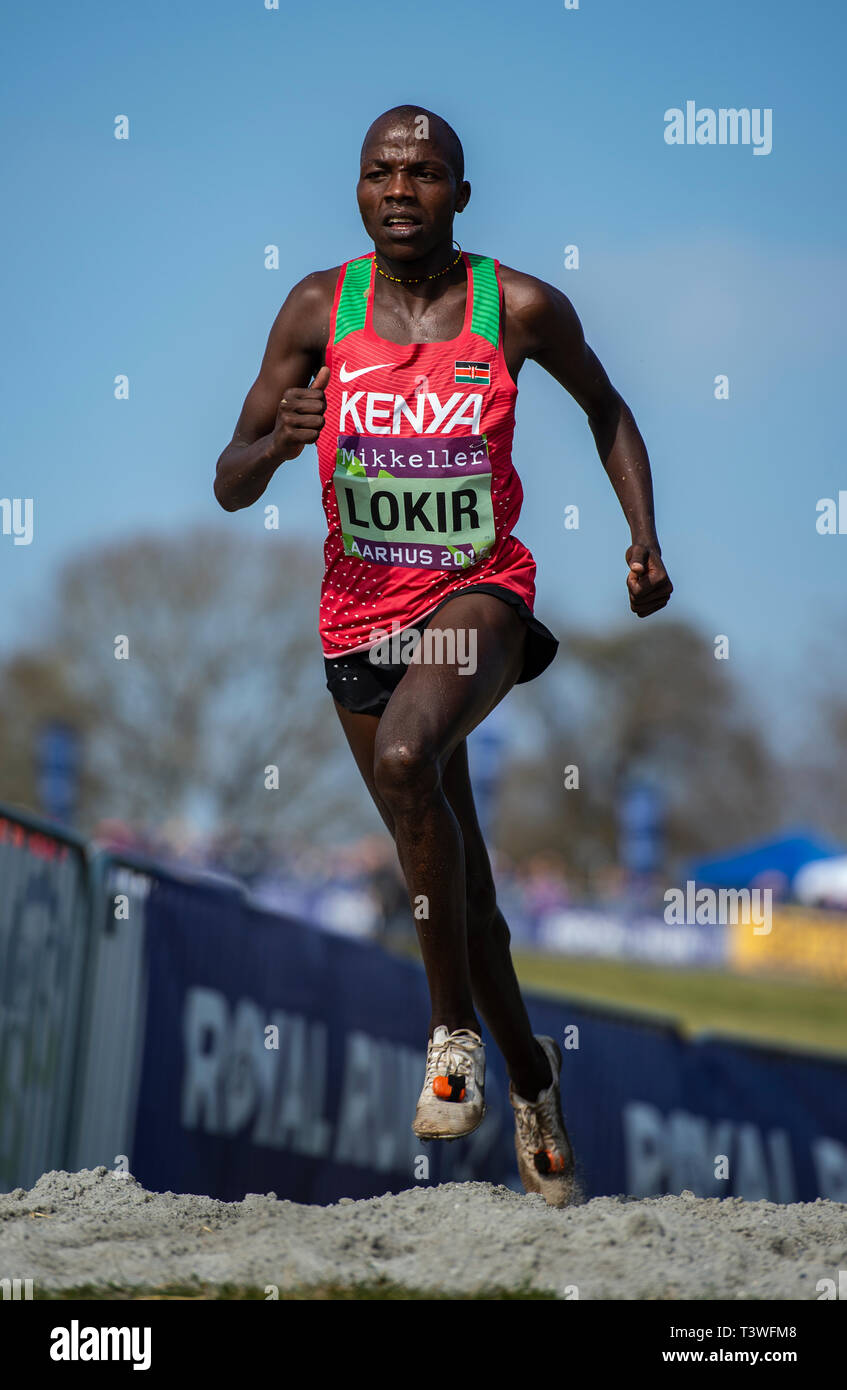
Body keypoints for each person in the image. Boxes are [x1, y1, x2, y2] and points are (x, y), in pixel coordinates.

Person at [214, 105, 672, 1206]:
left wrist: (643, 537)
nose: (400, 189)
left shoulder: (518, 306)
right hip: (358, 618)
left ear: (461, 194)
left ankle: (449, 1037)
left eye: (424, 173)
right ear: (357, 188)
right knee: (461, 895)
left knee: (406, 757)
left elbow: (607, 408)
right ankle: (533, 1080)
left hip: (478, 594)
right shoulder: (317, 308)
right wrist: (278, 444)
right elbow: (227, 479)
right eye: (381, 172)